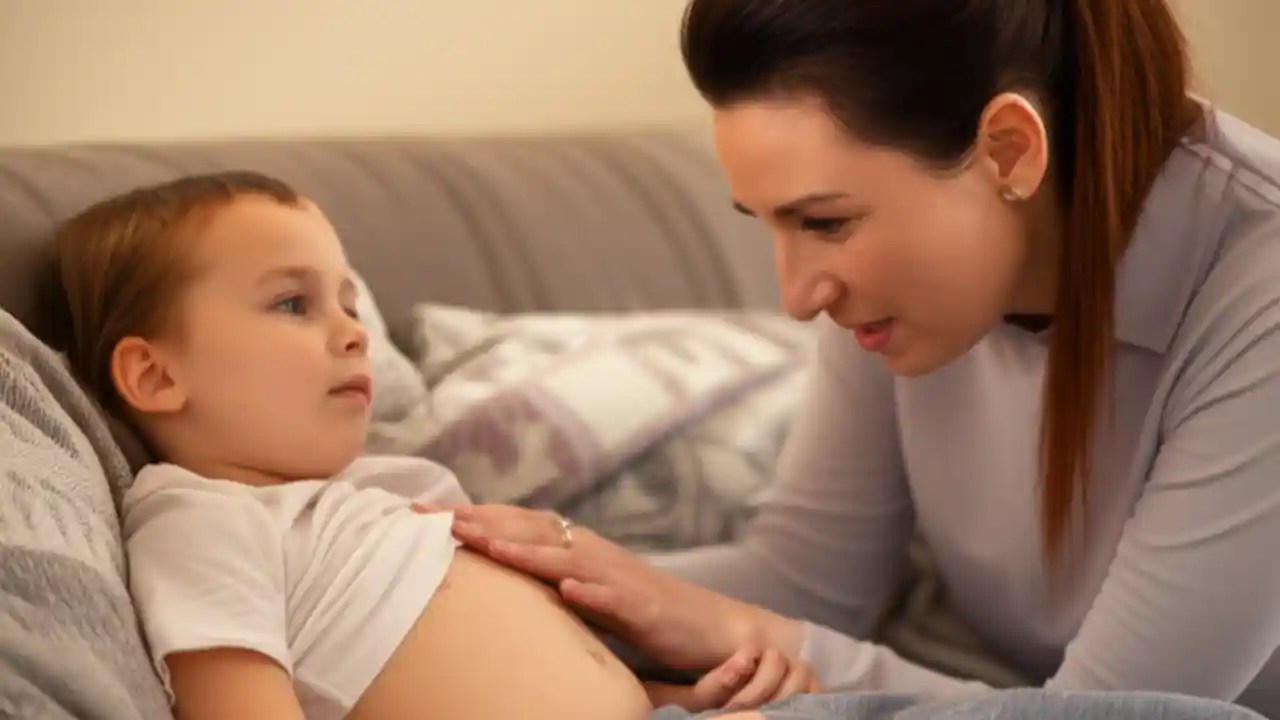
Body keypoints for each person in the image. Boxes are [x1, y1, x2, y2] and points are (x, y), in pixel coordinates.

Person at [445, 0, 1280, 716]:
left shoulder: (1259, 292)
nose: (798, 296)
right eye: (765, 223)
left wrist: (758, 638)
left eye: (826, 222)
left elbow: (1114, 718)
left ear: (1009, 152)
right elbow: (807, 576)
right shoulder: (906, 300)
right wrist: (525, 584)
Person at [49, 172, 817, 720]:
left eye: (349, 303)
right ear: (154, 374)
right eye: (293, 303)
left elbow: (508, 677)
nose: (354, 333)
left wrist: (684, 697)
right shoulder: (204, 521)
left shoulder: (394, 488)